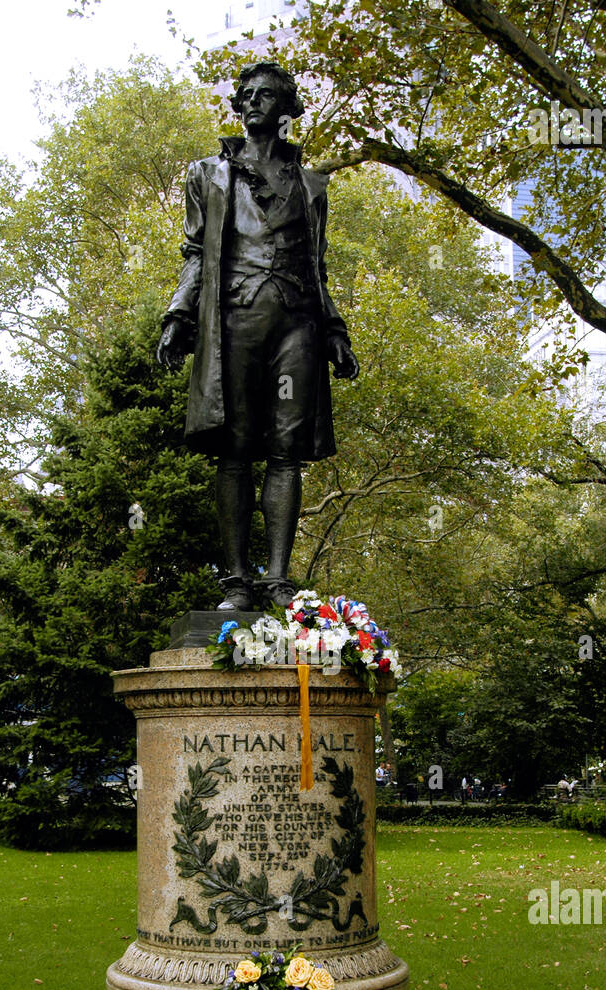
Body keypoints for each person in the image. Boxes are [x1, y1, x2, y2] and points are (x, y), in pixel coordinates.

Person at [157, 61, 359, 610]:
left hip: (297, 324)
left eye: (264, 95)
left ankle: (277, 579)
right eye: (243, 95)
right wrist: (178, 316)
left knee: (285, 450)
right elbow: (196, 253)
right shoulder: (208, 175)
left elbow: (317, 267)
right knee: (236, 450)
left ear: (287, 107)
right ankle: (237, 582)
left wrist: (335, 330)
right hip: (235, 322)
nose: (250, 102)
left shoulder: (312, 185)